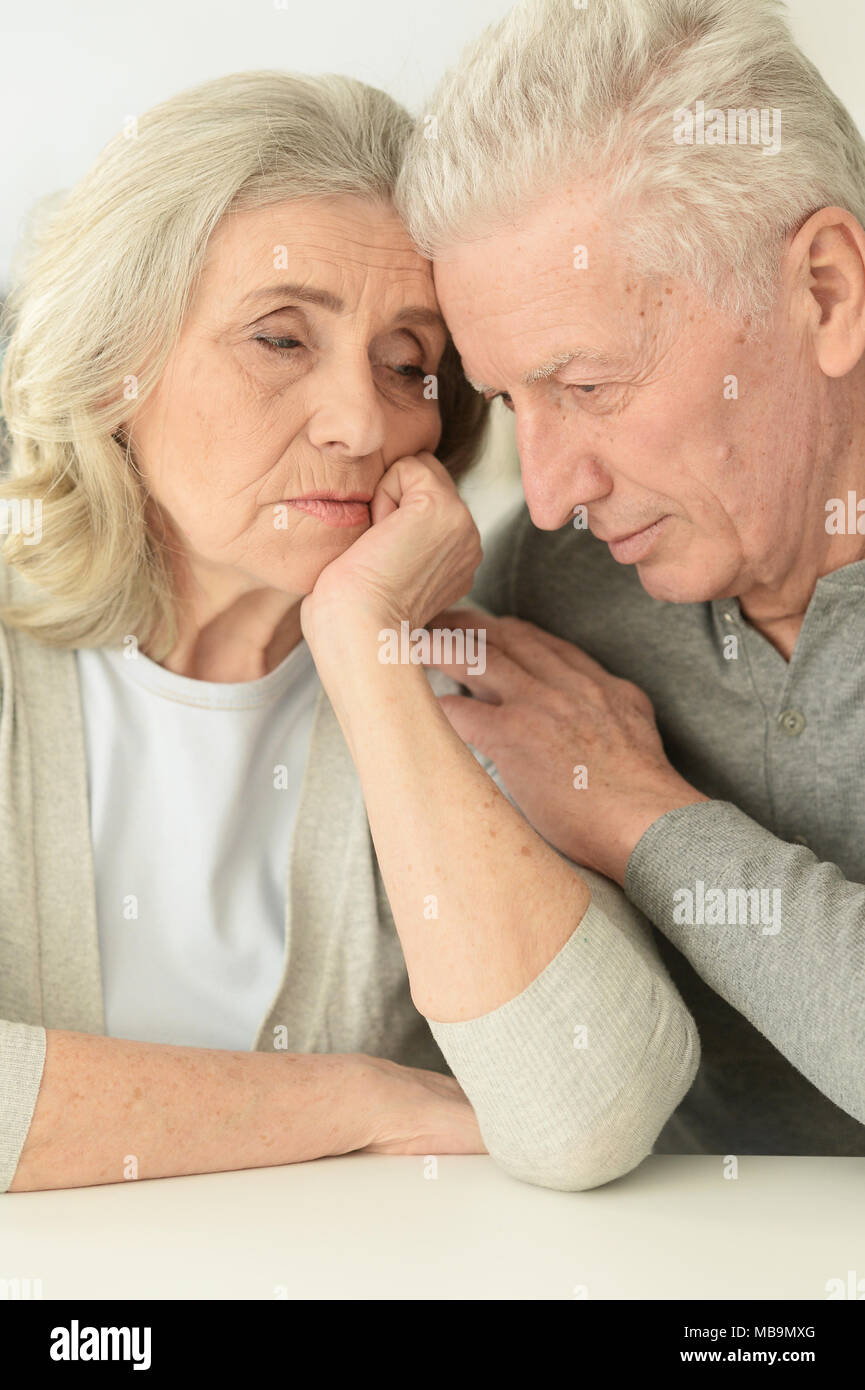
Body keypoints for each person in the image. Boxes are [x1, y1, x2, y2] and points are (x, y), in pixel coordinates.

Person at [0, 70, 699, 1194]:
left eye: (408, 361)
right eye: (280, 338)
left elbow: (590, 1109)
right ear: (110, 369)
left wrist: (372, 654)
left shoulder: (478, 677)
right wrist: (360, 1099)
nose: (364, 420)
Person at [396, 0, 865, 1155]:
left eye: (590, 386)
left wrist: (630, 810)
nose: (551, 493)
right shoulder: (551, 579)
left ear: (824, 288)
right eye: (512, 401)